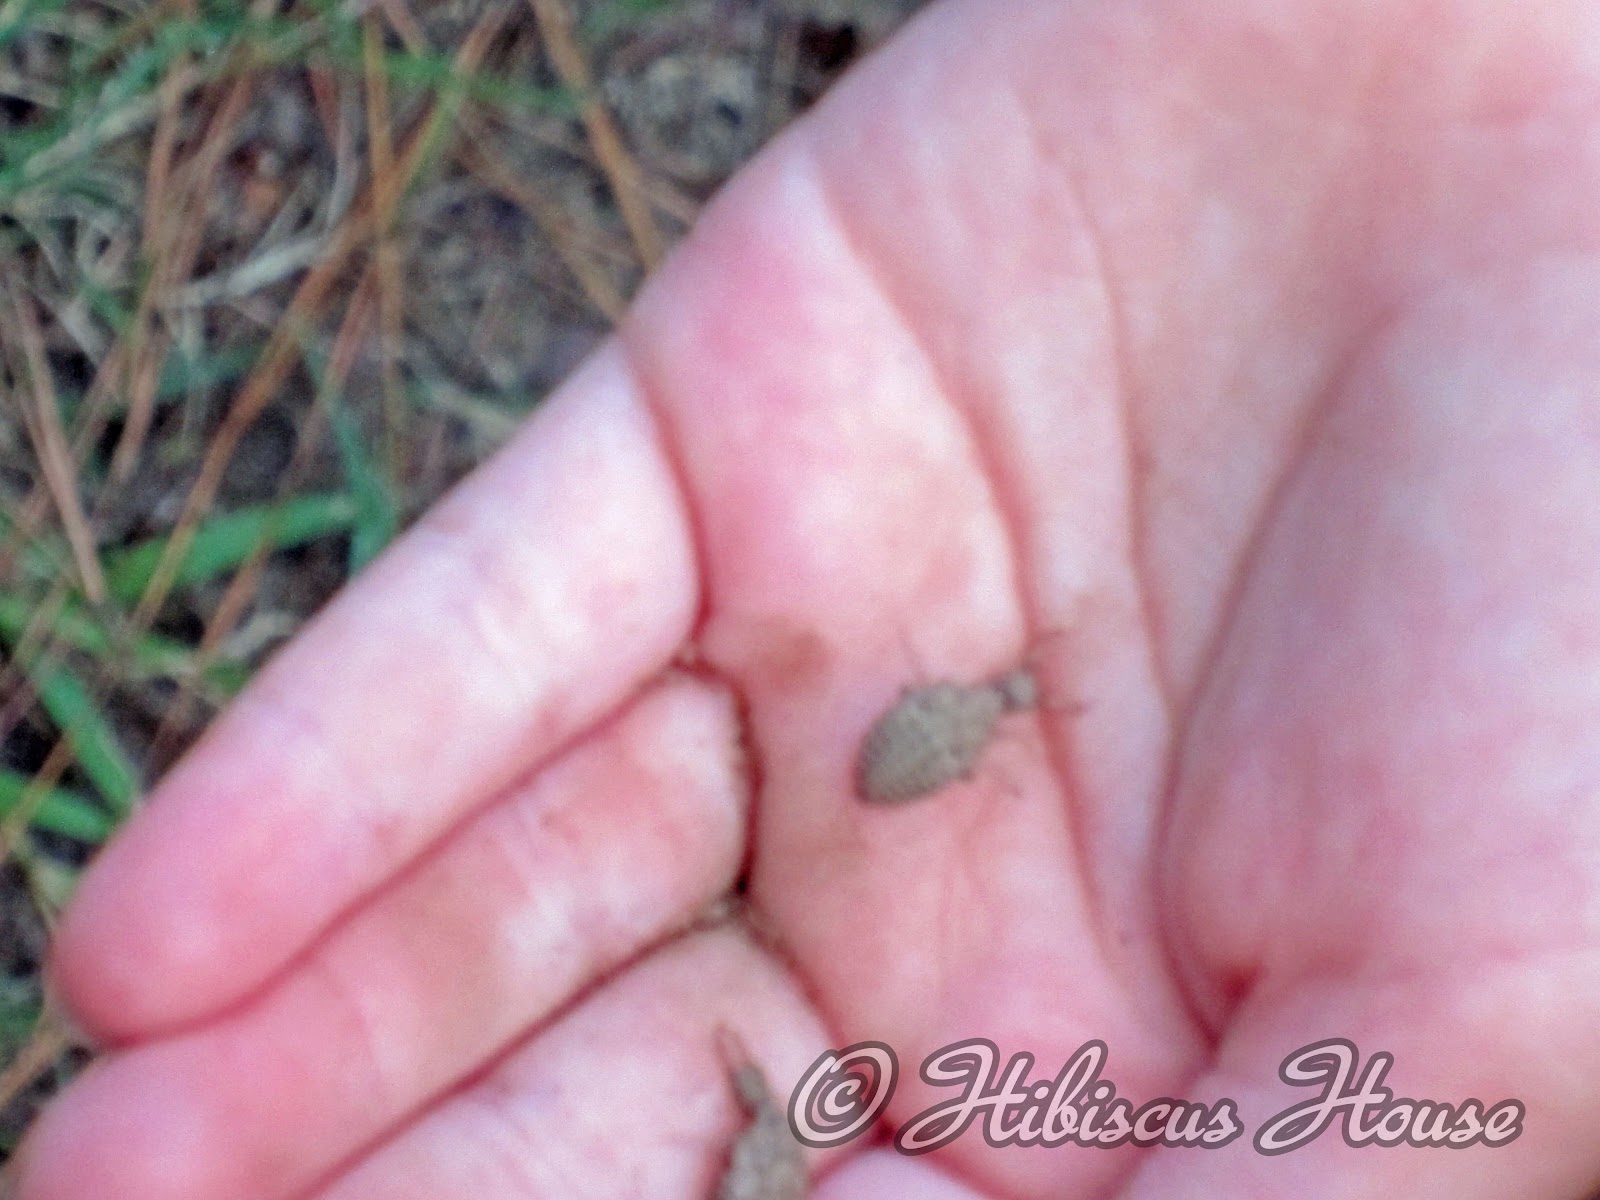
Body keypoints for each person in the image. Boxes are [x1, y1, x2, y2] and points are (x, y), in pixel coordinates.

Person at [15, 0, 1600, 1196]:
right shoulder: (954, 723)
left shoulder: (963, 722)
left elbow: (927, 738)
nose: (991, 706)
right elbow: (920, 739)